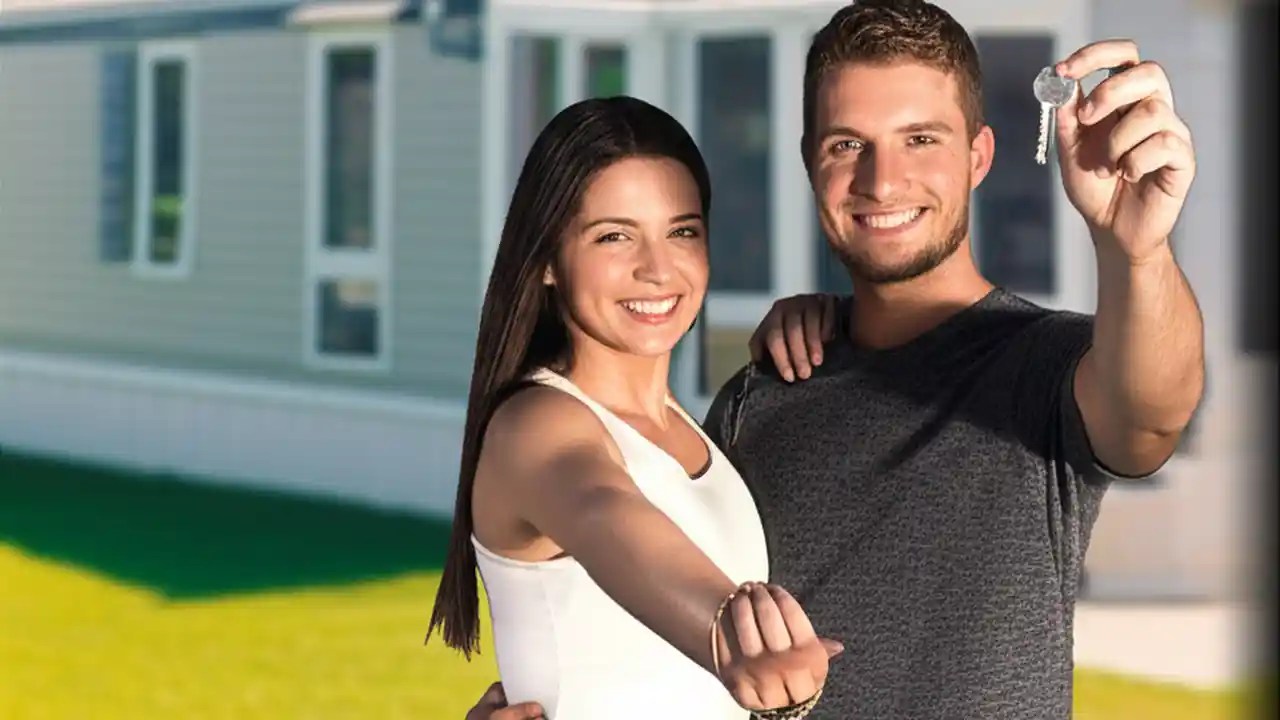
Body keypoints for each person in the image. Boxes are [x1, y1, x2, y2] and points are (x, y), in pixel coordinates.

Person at [466, 0, 1204, 718]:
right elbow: (606, 526)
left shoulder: (1049, 367)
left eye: (920, 139)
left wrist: (1134, 251)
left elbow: (1151, 412)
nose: (882, 182)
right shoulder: (763, 392)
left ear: (979, 155)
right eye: (848, 144)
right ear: (811, 164)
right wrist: (725, 637)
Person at [426, 96, 841, 720]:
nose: (656, 268)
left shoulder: (687, 432)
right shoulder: (536, 425)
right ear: (545, 260)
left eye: (681, 232)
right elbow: (603, 512)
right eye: (614, 236)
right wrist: (732, 635)